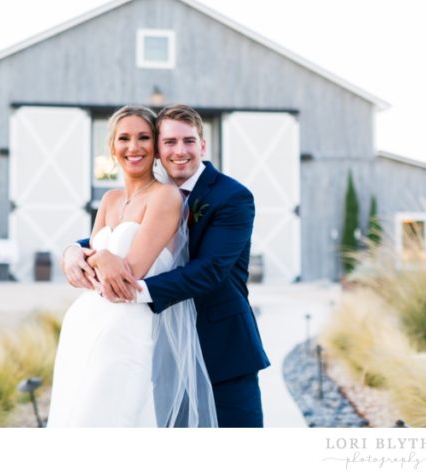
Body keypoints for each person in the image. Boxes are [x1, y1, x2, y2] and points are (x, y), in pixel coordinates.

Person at [62, 104, 270, 427]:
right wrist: (74, 250)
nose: (180, 151)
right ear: (159, 149)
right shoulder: (146, 190)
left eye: (188, 141)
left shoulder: (232, 197)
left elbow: (211, 269)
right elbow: (120, 236)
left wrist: (130, 288)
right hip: (158, 350)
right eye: (170, 142)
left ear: (202, 145)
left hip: (220, 347)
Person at [48, 105, 217, 427]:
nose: (134, 147)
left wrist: (96, 259)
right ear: (112, 147)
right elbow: (88, 271)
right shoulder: (110, 200)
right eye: (124, 138)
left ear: (155, 146)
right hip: (83, 327)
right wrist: (74, 251)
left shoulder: (166, 197)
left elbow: (130, 274)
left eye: (143, 137)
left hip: (127, 333)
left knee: (111, 420)